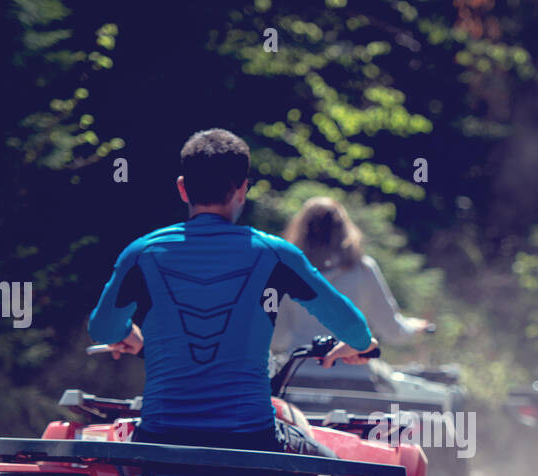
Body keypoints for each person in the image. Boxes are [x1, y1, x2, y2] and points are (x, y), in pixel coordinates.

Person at [87, 129, 379, 455]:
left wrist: (129, 333)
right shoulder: (275, 255)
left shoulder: (141, 253)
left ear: (183, 188)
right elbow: (354, 328)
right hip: (252, 440)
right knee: (341, 475)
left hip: (160, 437)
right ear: (243, 189)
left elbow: (102, 329)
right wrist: (358, 346)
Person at [271, 196, 430, 376]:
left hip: (299, 376)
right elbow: (391, 330)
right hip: (355, 377)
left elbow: (278, 339)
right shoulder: (363, 269)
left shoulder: (288, 272)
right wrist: (414, 328)